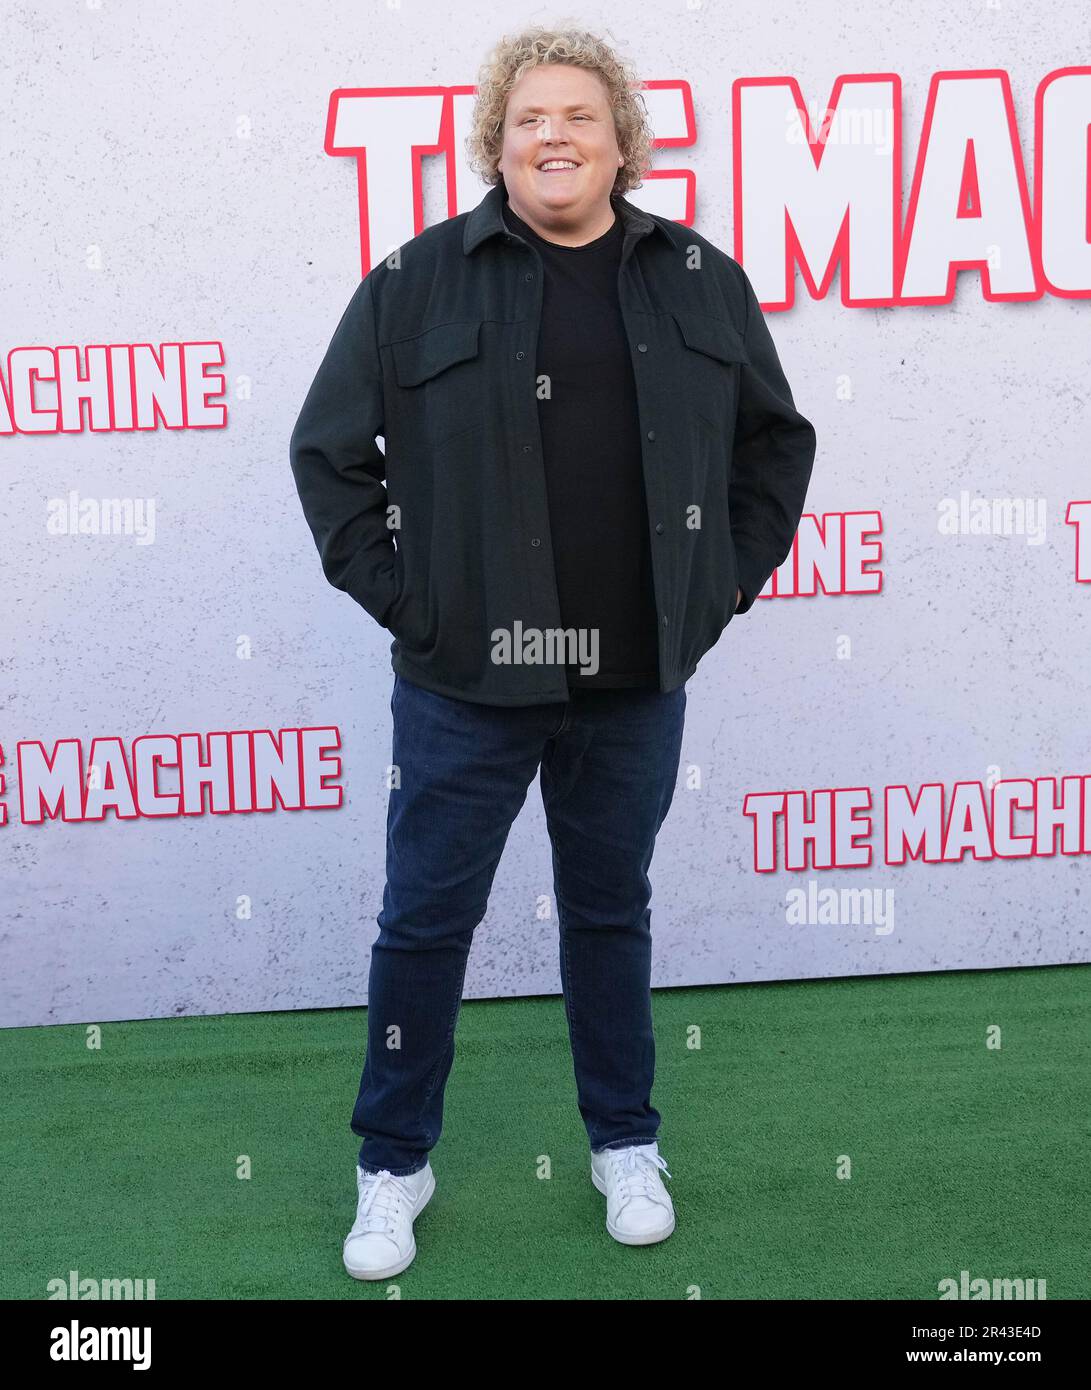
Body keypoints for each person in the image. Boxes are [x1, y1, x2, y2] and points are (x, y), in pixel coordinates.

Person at [289, 24, 816, 1281]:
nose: (553, 136)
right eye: (528, 118)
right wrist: (412, 607)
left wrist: (715, 588)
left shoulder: (698, 278)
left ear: (620, 139)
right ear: (496, 143)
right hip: (465, 682)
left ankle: (622, 1143)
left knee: (607, 913)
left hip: (632, 681)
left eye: (578, 115)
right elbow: (328, 459)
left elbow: (771, 447)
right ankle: (391, 1165)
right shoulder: (414, 282)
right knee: (423, 922)